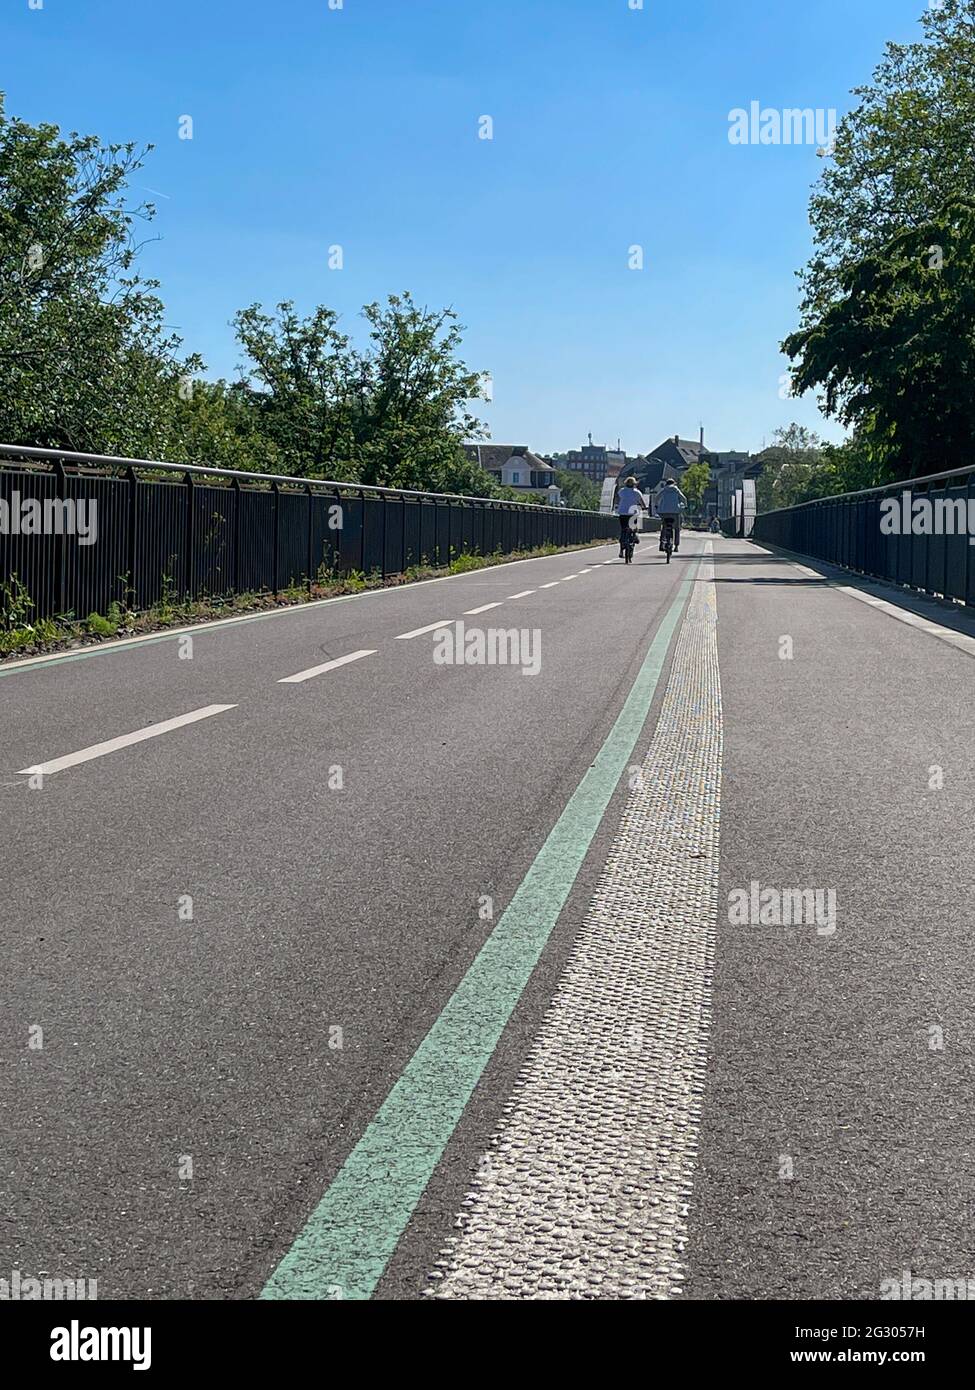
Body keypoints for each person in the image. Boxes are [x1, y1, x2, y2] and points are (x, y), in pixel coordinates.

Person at [616, 475, 648, 557]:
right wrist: (644, 507)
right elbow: (642, 502)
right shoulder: (637, 492)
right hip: (632, 513)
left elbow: (619, 498)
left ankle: (621, 550)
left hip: (622, 513)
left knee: (623, 530)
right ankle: (634, 537)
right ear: (634, 484)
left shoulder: (622, 491)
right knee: (634, 528)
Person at [655, 478, 687, 552]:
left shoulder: (664, 490)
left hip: (664, 512)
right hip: (675, 512)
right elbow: (684, 499)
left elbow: (657, 498)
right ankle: (676, 546)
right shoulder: (676, 490)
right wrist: (685, 506)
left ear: (666, 484)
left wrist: (657, 505)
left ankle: (662, 543)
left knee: (664, 527)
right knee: (676, 528)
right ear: (674, 483)